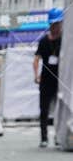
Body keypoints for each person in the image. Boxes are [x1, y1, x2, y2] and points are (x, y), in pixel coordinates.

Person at [34, 8, 63, 147]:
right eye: (53, 24)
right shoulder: (43, 41)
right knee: (44, 110)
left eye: (58, 24)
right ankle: (44, 138)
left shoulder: (65, 40)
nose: (55, 27)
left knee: (60, 109)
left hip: (60, 80)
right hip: (46, 80)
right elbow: (36, 59)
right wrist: (36, 75)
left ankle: (59, 137)